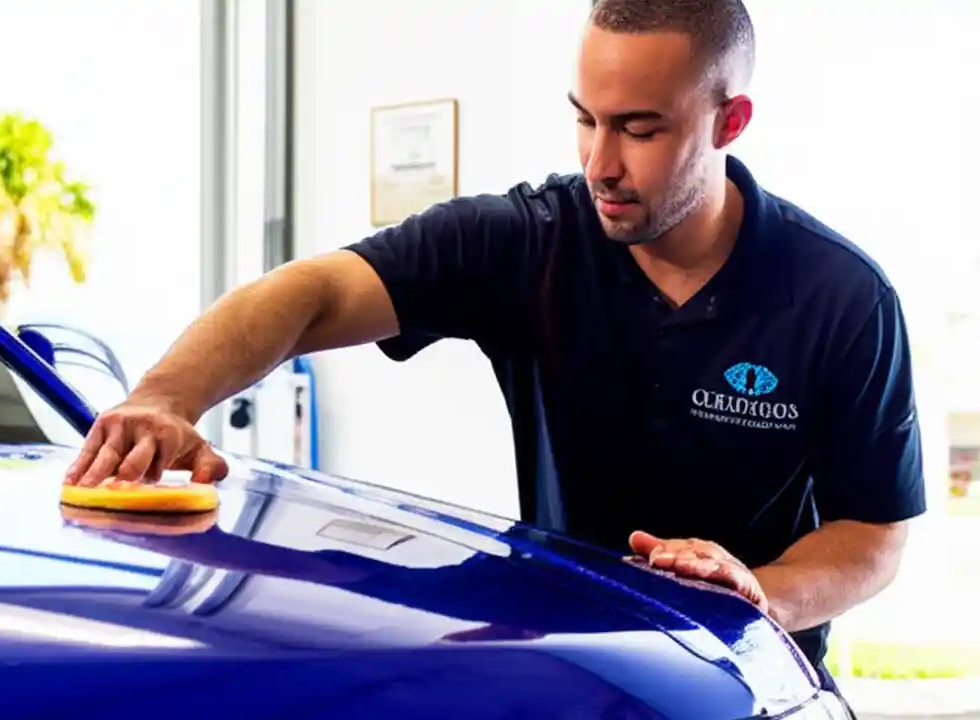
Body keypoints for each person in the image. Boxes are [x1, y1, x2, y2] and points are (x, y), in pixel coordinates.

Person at [64, 0, 926, 691]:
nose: (600, 162)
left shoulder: (842, 296)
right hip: (568, 672)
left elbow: (874, 534)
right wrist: (167, 395)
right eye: (584, 120)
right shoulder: (529, 241)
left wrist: (757, 592)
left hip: (749, 684)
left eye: (639, 128)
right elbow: (310, 292)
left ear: (728, 119)